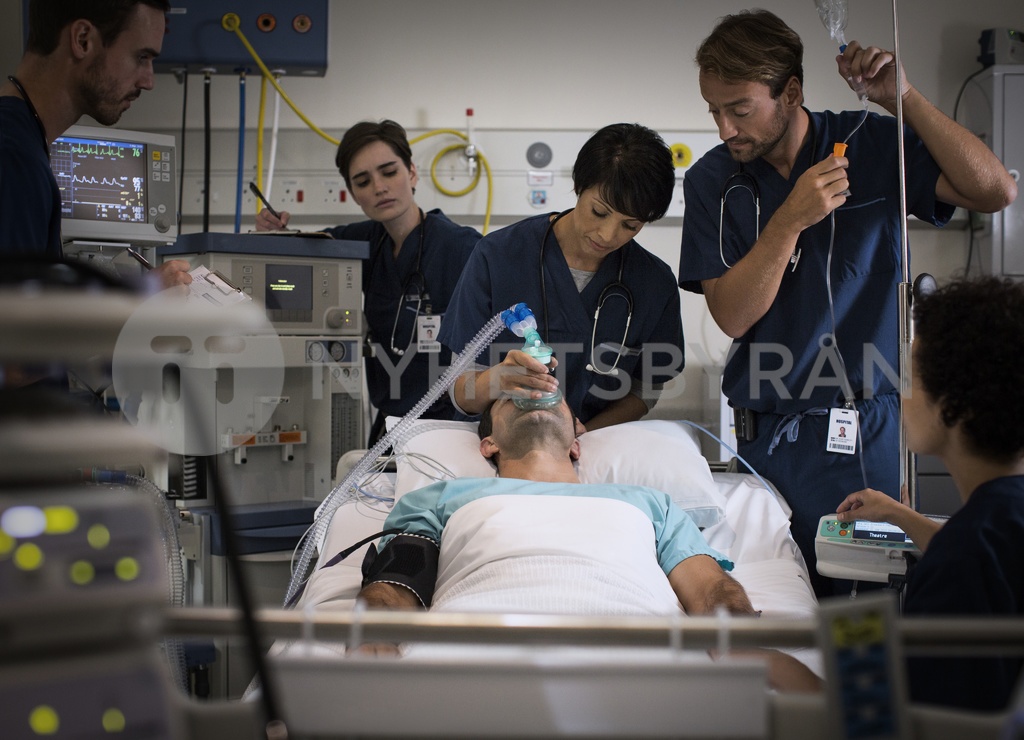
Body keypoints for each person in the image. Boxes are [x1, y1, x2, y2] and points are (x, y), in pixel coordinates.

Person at [677, 9, 1018, 598]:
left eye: (739, 109)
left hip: (870, 433)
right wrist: (790, 220)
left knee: (869, 611)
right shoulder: (714, 182)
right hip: (772, 442)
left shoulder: (869, 143)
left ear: (790, 92)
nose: (724, 127)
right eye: (714, 110)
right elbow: (732, 314)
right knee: (781, 600)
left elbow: (995, 191)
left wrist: (903, 97)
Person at [356, 392, 822, 692]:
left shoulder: (649, 502)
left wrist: (740, 645)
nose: (532, 395)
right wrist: (375, 640)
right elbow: (398, 582)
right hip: (469, 662)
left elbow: (709, 588)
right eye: (511, 398)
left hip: (642, 663)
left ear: (577, 441)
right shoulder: (441, 496)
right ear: (489, 445)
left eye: (553, 399)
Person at [835, 277, 1024, 712]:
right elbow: (993, 559)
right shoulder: (993, 526)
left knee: (846, 641)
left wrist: (784, 673)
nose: (900, 395)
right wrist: (898, 514)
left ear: (951, 405)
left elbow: (925, 725)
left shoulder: (959, 566)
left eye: (911, 377)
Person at [438, 123, 684, 432]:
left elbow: (645, 390)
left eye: (630, 226)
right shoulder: (498, 257)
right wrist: (497, 380)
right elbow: (460, 390)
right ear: (579, 186)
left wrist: (583, 434)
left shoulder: (653, 284)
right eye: (599, 212)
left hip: (590, 450)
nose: (607, 235)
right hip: (502, 449)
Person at [256, 120, 481, 444]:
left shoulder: (462, 248)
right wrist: (273, 238)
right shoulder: (357, 245)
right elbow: (297, 262)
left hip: (453, 430)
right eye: (363, 181)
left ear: (412, 173)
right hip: (389, 428)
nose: (378, 187)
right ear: (354, 194)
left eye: (389, 172)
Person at [0, 0, 191, 289]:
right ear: (82, 40)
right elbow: (19, 326)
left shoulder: (22, 140)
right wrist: (144, 301)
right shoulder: (13, 158)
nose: (148, 81)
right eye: (141, 57)